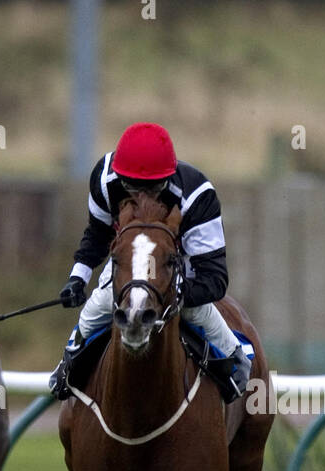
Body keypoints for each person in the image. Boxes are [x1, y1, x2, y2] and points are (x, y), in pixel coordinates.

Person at [48, 122, 249, 401]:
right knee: (97, 305)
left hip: (179, 260)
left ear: (168, 178)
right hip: (133, 256)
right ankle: (69, 359)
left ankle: (235, 355)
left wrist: (174, 294)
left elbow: (214, 279)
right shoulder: (104, 180)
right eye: (131, 187)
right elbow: (97, 234)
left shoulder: (198, 196)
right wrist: (77, 277)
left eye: (152, 189)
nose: (141, 198)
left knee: (195, 312)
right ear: (119, 176)